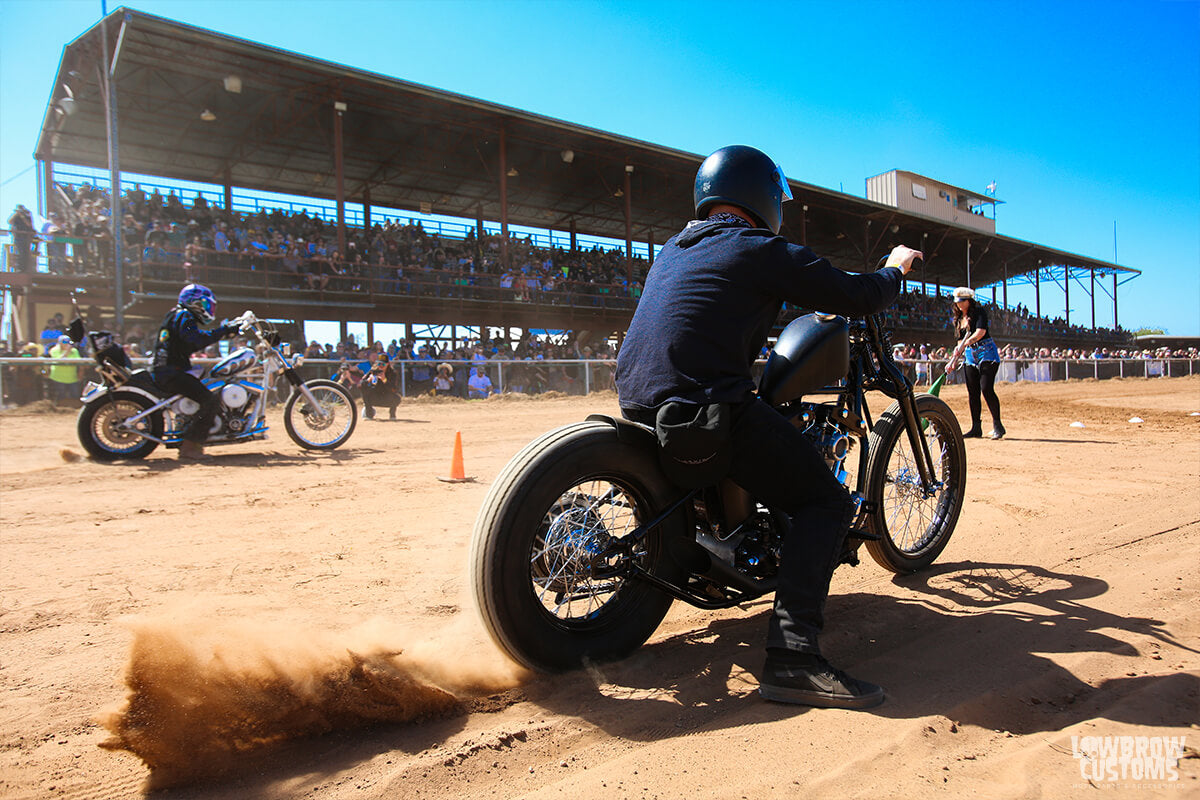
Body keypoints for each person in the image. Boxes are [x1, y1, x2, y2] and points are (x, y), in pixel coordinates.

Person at [615, 144, 923, 710]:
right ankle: (794, 660)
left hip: (639, 398)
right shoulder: (757, 247)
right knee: (826, 503)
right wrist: (893, 269)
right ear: (761, 197)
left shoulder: (676, 248)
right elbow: (854, 295)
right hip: (705, 404)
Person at [151, 284, 239, 460]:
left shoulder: (175, 314)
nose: (208, 309)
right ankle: (190, 447)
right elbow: (195, 340)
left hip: (166, 369)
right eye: (206, 305)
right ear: (195, 302)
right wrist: (222, 331)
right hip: (171, 372)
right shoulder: (184, 315)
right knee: (210, 401)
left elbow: (189, 341)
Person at [949, 287, 1005, 439]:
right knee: (973, 392)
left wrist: (966, 342)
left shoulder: (979, 312)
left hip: (986, 352)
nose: (959, 305)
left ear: (969, 301)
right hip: (969, 356)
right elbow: (960, 340)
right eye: (958, 302)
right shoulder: (959, 319)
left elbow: (981, 332)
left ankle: (997, 425)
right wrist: (957, 352)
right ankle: (976, 427)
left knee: (986, 388)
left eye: (962, 302)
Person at [360, 353, 400, 420]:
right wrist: (368, 380)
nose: (381, 366)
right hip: (375, 395)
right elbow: (361, 385)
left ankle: (392, 415)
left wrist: (384, 380)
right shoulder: (373, 371)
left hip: (387, 396)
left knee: (397, 398)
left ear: (387, 364)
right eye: (379, 364)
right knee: (365, 393)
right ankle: (369, 414)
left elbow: (394, 389)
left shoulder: (393, 373)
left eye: (383, 364)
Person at [46, 335, 82, 407]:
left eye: (68, 342)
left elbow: (78, 361)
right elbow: (59, 361)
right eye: (65, 342)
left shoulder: (74, 351)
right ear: (60, 343)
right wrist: (67, 352)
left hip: (72, 377)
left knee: (75, 396)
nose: (67, 344)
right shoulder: (54, 350)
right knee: (60, 396)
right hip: (58, 378)